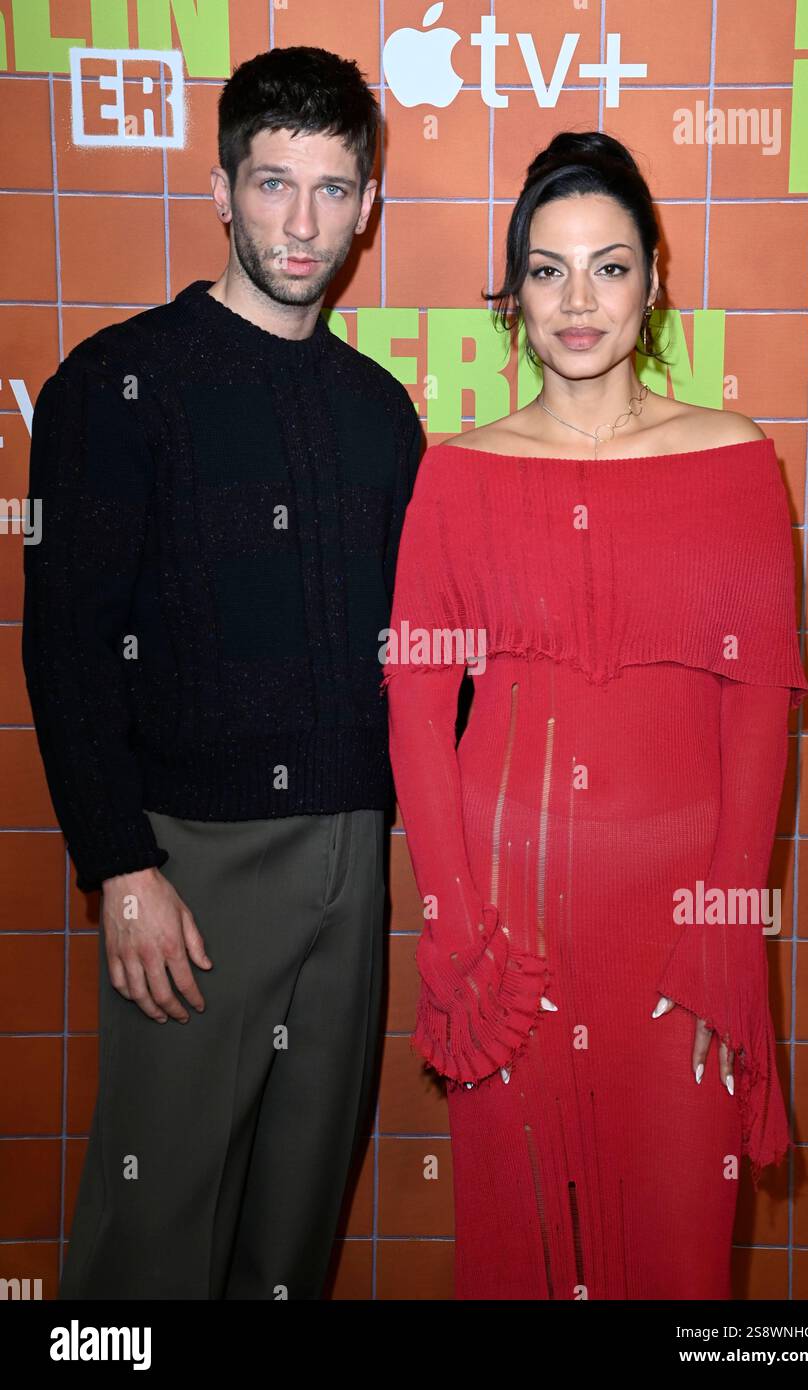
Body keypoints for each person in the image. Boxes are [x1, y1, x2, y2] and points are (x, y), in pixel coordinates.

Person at [23, 46, 423, 1300]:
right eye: (271, 184)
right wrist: (121, 866)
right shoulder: (115, 384)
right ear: (219, 188)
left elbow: (415, 646)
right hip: (186, 867)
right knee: (153, 1243)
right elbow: (66, 642)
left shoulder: (381, 410)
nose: (301, 224)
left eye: (331, 189)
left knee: (293, 1233)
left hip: (354, 857)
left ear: (367, 205)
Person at [382, 130, 808, 1300]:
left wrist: (726, 923)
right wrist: (458, 925)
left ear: (654, 282)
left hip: (682, 932)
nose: (580, 301)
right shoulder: (457, 472)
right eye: (550, 268)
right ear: (514, 289)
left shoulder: (731, 461)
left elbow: (756, 711)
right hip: (507, 944)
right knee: (514, 1260)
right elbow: (417, 707)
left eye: (609, 267)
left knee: (681, 1266)